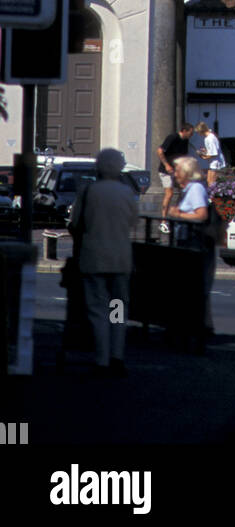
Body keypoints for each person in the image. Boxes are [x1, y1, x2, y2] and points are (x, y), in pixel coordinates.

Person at [68, 147, 139, 376]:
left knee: (98, 309)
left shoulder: (88, 192)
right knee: (117, 308)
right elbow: (132, 222)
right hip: (120, 259)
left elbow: (75, 224)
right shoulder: (127, 193)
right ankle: (117, 356)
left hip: (94, 257)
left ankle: (101, 360)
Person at [167, 157, 215, 340]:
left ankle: (196, 330)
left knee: (194, 287)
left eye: (178, 170)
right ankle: (201, 326)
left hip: (195, 244)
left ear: (186, 173)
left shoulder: (195, 189)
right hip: (189, 244)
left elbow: (201, 214)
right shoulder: (188, 190)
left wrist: (178, 214)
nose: (175, 173)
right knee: (195, 288)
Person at [157, 124, 194, 233]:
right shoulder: (172, 137)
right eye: (190, 133)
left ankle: (176, 216)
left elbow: (183, 156)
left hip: (177, 170)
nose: (191, 135)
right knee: (169, 193)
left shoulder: (185, 141)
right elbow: (160, 151)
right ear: (184, 131)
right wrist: (166, 165)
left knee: (185, 190)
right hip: (166, 170)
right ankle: (163, 222)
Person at [195, 119, 225, 188]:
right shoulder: (210, 137)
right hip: (212, 163)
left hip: (215, 163)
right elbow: (212, 149)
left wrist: (203, 156)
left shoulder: (209, 138)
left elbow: (214, 153)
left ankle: (212, 197)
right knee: (208, 181)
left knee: (211, 183)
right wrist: (205, 151)